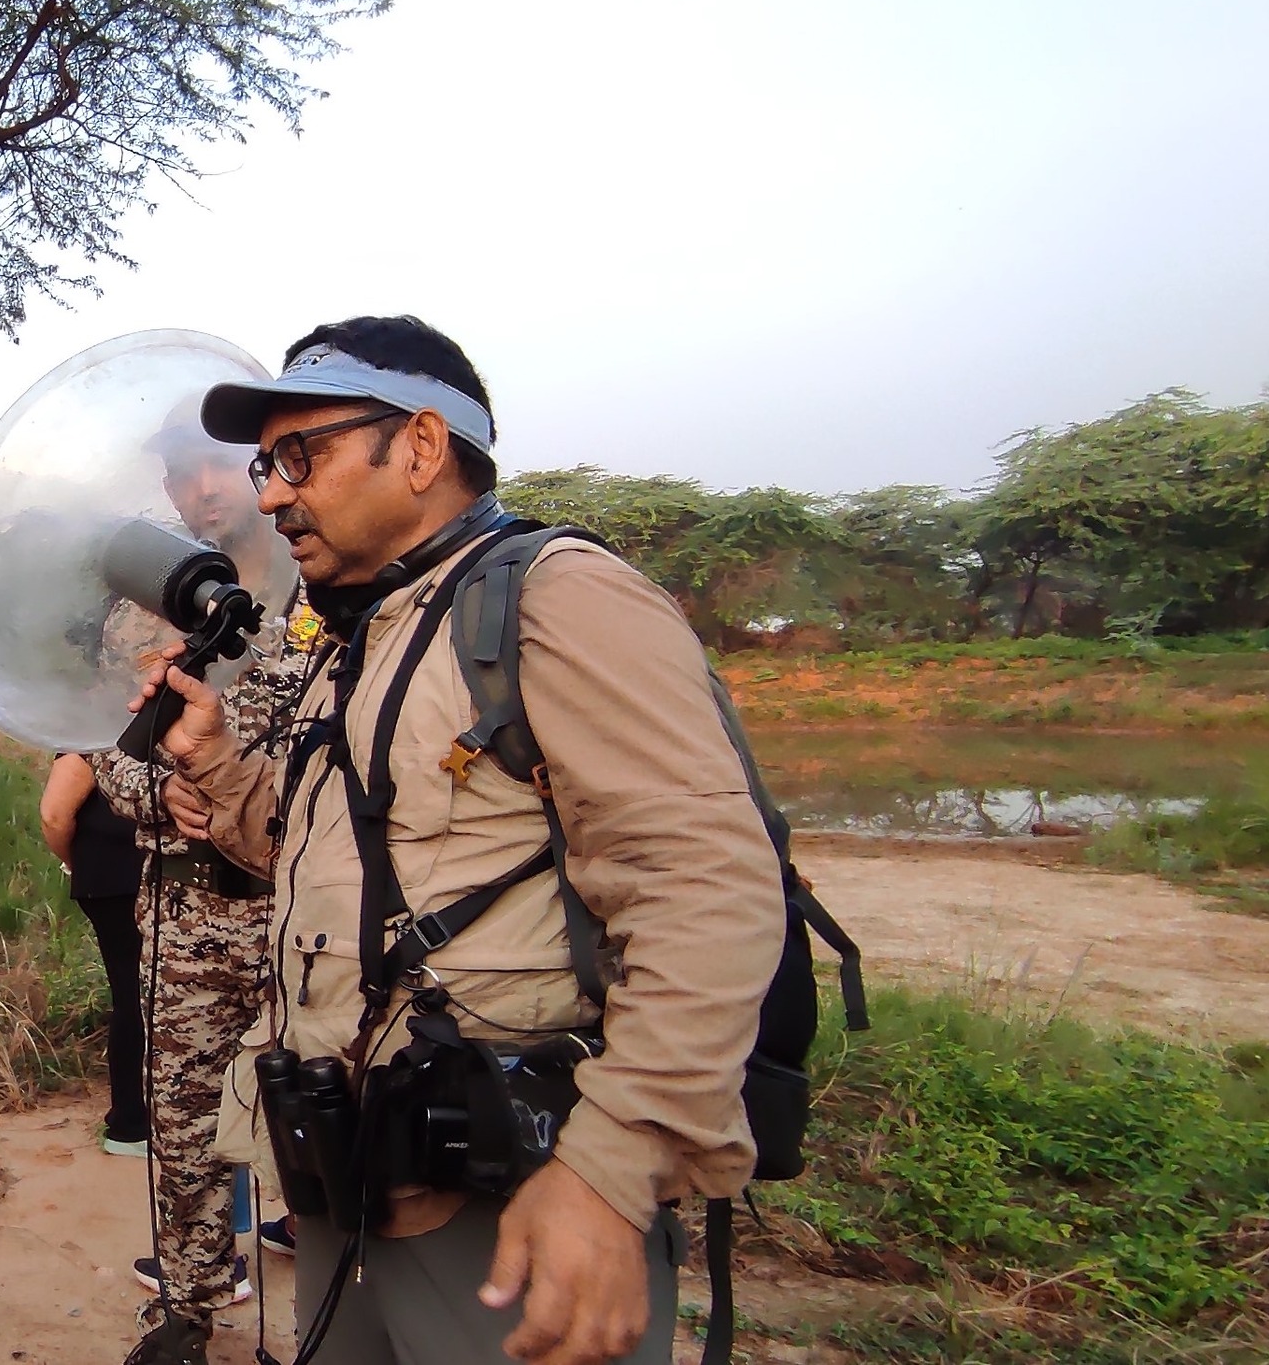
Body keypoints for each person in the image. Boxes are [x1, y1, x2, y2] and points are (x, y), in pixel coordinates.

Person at [152, 316, 782, 1365]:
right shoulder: (359, 639)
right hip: (344, 1178)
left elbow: (708, 889)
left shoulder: (556, 596)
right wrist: (217, 763)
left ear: (423, 447)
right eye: (267, 464)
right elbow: (321, 864)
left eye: (300, 457)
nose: (270, 493)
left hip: (508, 1201)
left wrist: (612, 1174)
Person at [93, 422, 321, 1363]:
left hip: (306, 911)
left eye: (215, 466)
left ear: (259, 471)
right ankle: (187, 1308)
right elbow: (103, 757)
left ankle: (332, 1314)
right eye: (178, 477)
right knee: (181, 1123)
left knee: (319, 1119)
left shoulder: (334, 599)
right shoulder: (135, 621)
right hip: (186, 913)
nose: (200, 489)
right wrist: (168, 794)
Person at [38, 753, 148, 1158]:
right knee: (135, 996)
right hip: (115, 881)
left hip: (130, 879)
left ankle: (141, 1116)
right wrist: (75, 861)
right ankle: (130, 1124)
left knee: (143, 995)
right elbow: (54, 816)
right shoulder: (87, 738)